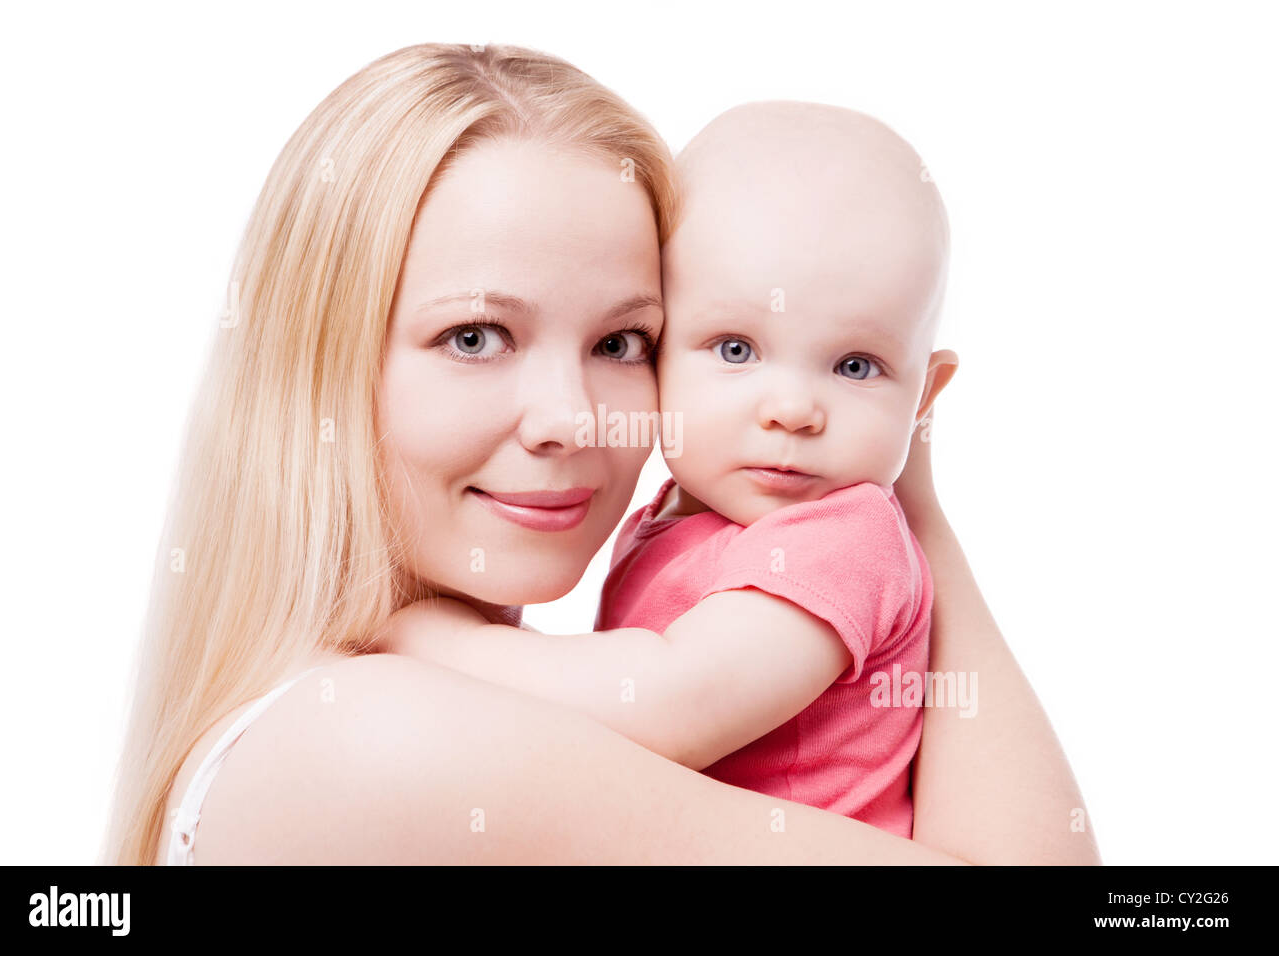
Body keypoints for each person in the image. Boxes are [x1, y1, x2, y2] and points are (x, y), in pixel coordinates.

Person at [102, 42, 1099, 865]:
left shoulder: (399, 703)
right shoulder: (369, 733)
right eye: (475, 336)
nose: (572, 418)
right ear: (319, 359)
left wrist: (883, 462)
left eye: (621, 341)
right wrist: (897, 468)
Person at [383, 101, 959, 840]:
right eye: (735, 349)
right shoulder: (670, 517)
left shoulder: (844, 539)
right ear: (661, 346)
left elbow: (667, 707)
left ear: (924, 396)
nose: (791, 409)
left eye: (856, 366)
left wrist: (433, 639)